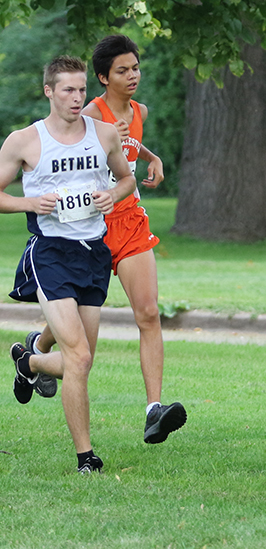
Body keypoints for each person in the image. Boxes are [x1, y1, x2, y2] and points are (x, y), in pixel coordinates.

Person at [26, 35, 187, 445]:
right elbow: (87, 142)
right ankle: (35, 352)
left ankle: (154, 410)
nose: (132, 76)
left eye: (135, 68)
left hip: (128, 218)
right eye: (122, 70)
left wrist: (150, 156)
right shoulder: (87, 111)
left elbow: (126, 147)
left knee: (149, 313)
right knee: (75, 339)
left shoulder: (139, 111)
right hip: (88, 230)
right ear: (102, 77)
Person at [2, 55, 136, 473]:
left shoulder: (104, 135)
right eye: (67, 90)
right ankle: (86, 457)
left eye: (81, 90)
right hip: (51, 252)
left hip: (94, 252)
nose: (77, 98)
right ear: (49, 91)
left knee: (82, 361)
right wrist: (29, 202)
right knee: (77, 358)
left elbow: (126, 178)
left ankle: (31, 361)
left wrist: (112, 196)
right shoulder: (24, 141)